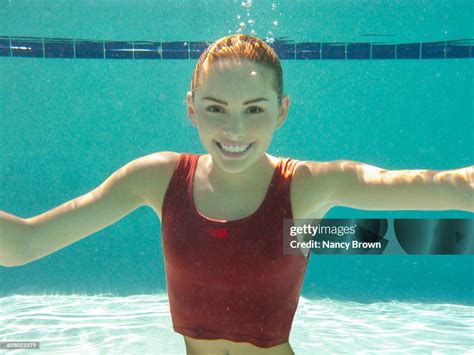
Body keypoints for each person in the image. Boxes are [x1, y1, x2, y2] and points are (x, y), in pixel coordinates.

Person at [0, 34, 472, 355]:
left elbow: (446, 189)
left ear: (282, 111)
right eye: (215, 108)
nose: (235, 129)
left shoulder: (306, 186)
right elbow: (22, 245)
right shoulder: (157, 178)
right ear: (191, 109)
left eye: (254, 109)